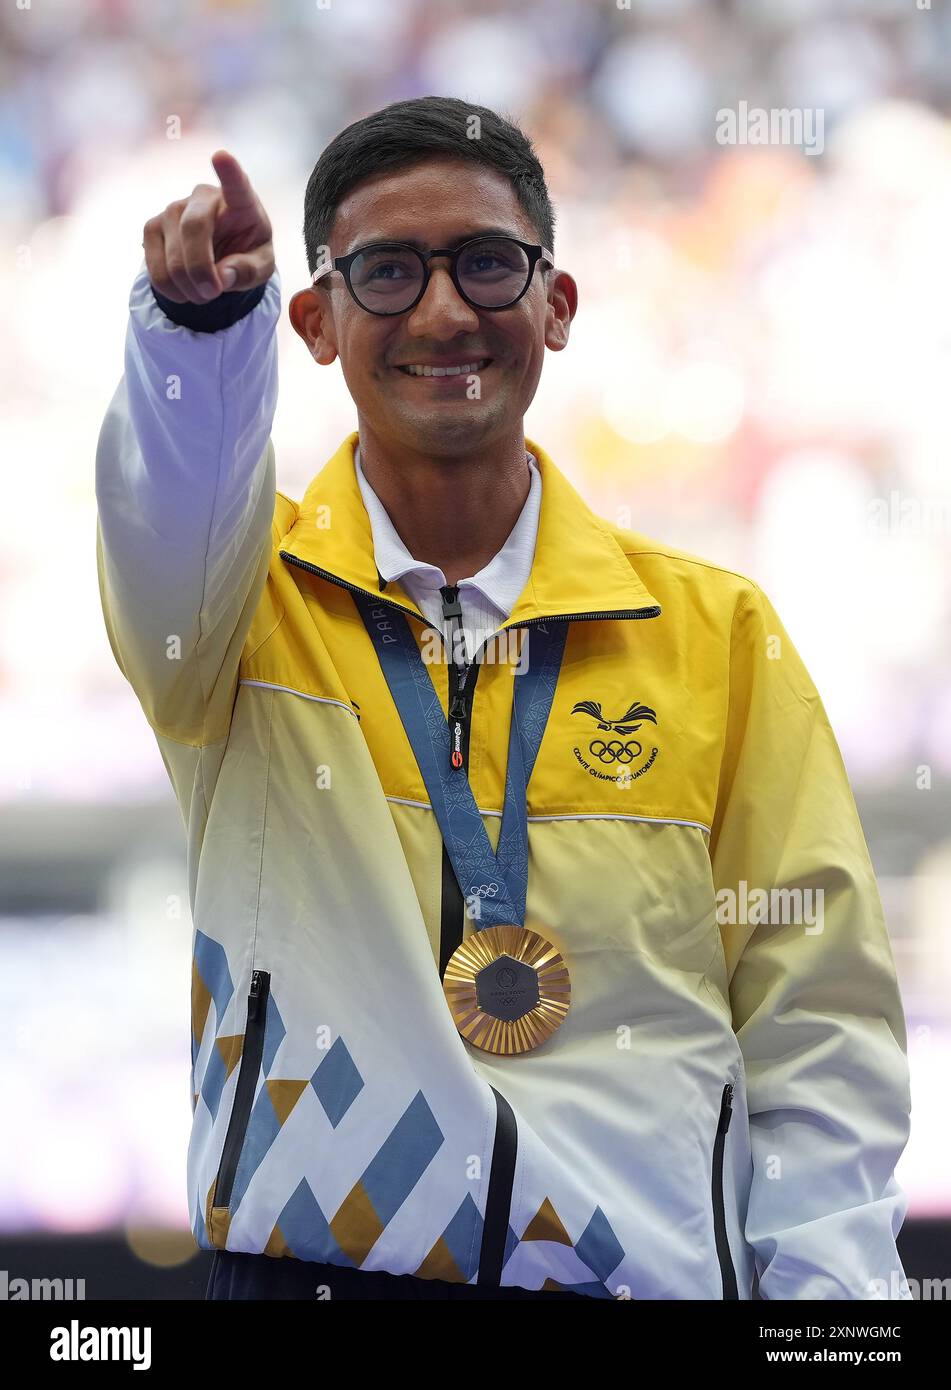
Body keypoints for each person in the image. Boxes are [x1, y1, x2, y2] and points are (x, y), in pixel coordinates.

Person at [95, 95, 912, 1301]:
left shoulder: (717, 632)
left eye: (486, 264)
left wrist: (834, 1313)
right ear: (315, 322)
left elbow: (819, 1018)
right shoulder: (237, 614)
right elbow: (163, 533)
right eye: (386, 272)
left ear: (556, 304)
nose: (442, 311)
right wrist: (200, 336)